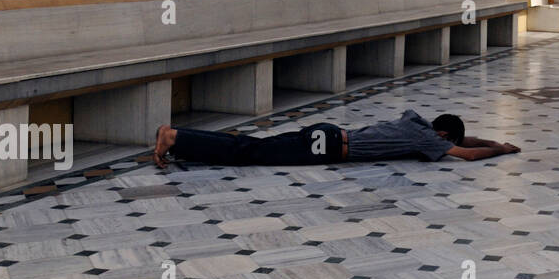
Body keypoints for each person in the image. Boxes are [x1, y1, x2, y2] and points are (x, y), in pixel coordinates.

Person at [152, 110, 518, 168]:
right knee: (248, 152)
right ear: (442, 135)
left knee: (251, 146)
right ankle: (174, 136)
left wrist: (493, 142)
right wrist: (501, 149)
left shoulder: (415, 122)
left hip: (327, 134)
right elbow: (467, 154)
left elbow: (465, 141)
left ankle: (180, 140)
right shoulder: (428, 139)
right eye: (448, 141)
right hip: (327, 147)